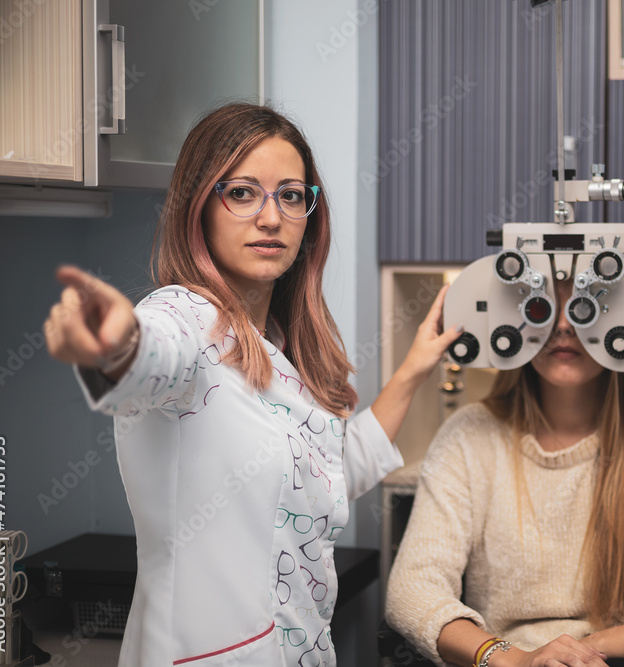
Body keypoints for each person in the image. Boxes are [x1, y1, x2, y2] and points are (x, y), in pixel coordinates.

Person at [44, 103, 461, 667]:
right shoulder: (182, 318)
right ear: (199, 205)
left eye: (291, 195)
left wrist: (415, 367)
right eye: (242, 192)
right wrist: (115, 343)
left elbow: (335, 470)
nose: (272, 218)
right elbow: (150, 355)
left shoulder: (281, 349)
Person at [385, 278, 624, 667]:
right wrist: (515, 660)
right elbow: (412, 590)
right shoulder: (467, 437)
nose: (562, 325)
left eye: (586, 306)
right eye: (541, 307)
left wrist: (598, 646)